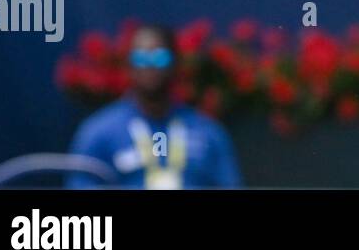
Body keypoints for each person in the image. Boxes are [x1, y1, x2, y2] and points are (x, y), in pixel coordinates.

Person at [67, 24, 242, 189]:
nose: (150, 66)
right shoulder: (98, 132)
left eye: (160, 58)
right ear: (129, 66)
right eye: (141, 59)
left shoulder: (209, 133)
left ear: (176, 63)